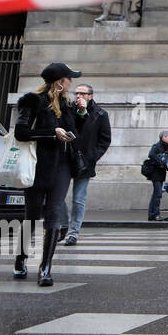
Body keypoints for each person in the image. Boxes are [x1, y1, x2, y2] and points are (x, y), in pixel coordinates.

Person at [14, 63, 81, 287]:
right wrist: (51, 133)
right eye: (69, 78)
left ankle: (45, 268)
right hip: (37, 166)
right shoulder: (32, 101)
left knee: (53, 213)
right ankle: (21, 259)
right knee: (31, 216)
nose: (72, 82)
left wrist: (81, 113)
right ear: (60, 81)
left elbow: (77, 134)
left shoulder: (67, 104)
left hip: (62, 167)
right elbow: (21, 132)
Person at [58, 82, 111, 245]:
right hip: (66, 159)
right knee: (57, 196)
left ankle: (74, 233)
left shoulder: (100, 114)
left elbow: (105, 139)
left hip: (85, 163)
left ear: (90, 96)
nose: (79, 96)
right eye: (77, 93)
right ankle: (64, 224)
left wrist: (92, 157)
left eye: (82, 94)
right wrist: (79, 112)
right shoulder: (68, 111)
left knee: (78, 199)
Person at [144, 131, 168, 221]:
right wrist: (161, 161)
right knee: (158, 194)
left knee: (156, 194)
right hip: (155, 173)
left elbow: (166, 158)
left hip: (160, 173)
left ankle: (152, 214)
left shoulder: (165, 147)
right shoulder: (157, 146)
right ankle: (155, 214)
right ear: (163, 137)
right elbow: (151, 155)